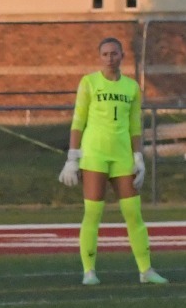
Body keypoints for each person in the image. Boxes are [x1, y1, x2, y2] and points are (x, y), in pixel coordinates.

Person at [58, 37, 165, 286]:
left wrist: (138, 157)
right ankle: (89, 271)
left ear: (122, 56)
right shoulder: (89, 83)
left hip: (122, 156)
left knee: (133, 213)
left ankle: (145, 270)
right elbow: (78, 121)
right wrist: (72, 157)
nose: (109, 58)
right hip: (95, 154)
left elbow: (135, 125)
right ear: (99, 57)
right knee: (93, 213)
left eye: (114, 53)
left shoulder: (132, 87)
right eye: (105, 54)